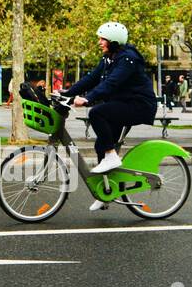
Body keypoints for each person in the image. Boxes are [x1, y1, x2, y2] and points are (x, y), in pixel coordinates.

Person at [60, 21, 157, 211]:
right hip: (123, 104)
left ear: (113, 41)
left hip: (139, 106)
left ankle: (112, 157)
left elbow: (111, 84)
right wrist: (67, 93)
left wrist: (87, 99)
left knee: (97, 113)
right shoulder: (109, 58)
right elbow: (91, 79)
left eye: (102, 39)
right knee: (101, 145)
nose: (99, 42)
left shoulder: (128, 59)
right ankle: (106, 191)